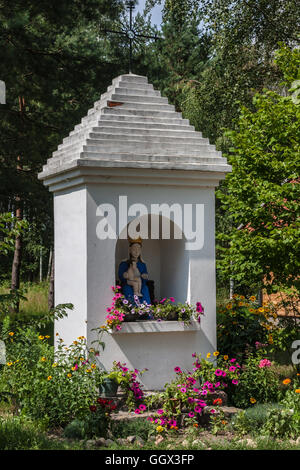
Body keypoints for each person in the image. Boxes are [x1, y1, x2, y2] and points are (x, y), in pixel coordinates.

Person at [118, 237, 151, 306]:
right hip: (129, 283)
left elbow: (145, 274)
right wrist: (124, 275)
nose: (136, 252)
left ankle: (146, 310)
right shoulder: (124, 262)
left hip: (140, 284)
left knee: (145, 289)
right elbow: (121, 275)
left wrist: (144, 276)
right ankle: (132, 309)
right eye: (134, 249)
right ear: (130, 250)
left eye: (138, 249)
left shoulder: (142, 264)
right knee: (127, 289)